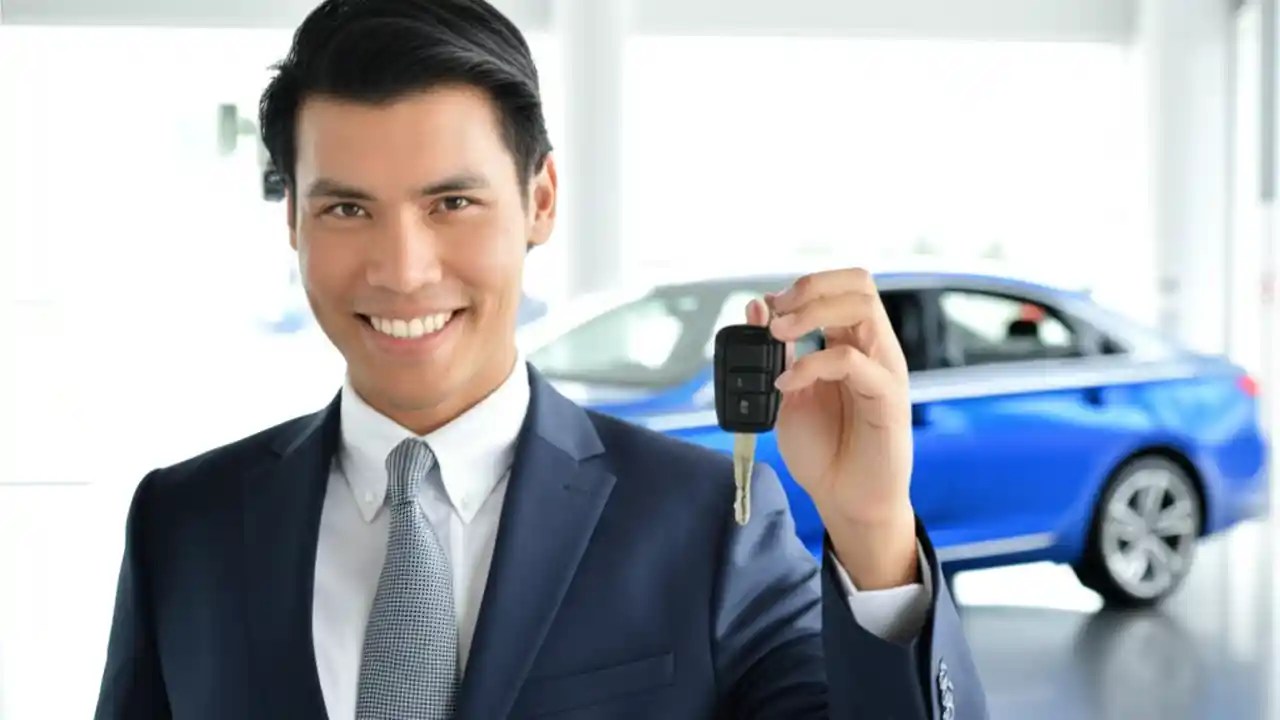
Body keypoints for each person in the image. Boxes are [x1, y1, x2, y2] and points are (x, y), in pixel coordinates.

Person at [93, 1, 987, 718]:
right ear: (292, 221)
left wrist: (874, 537)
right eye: (347, 210)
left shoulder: (704, 523)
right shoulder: (184, 525)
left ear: (541, 200)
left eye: (451, 201)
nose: (404, 272)